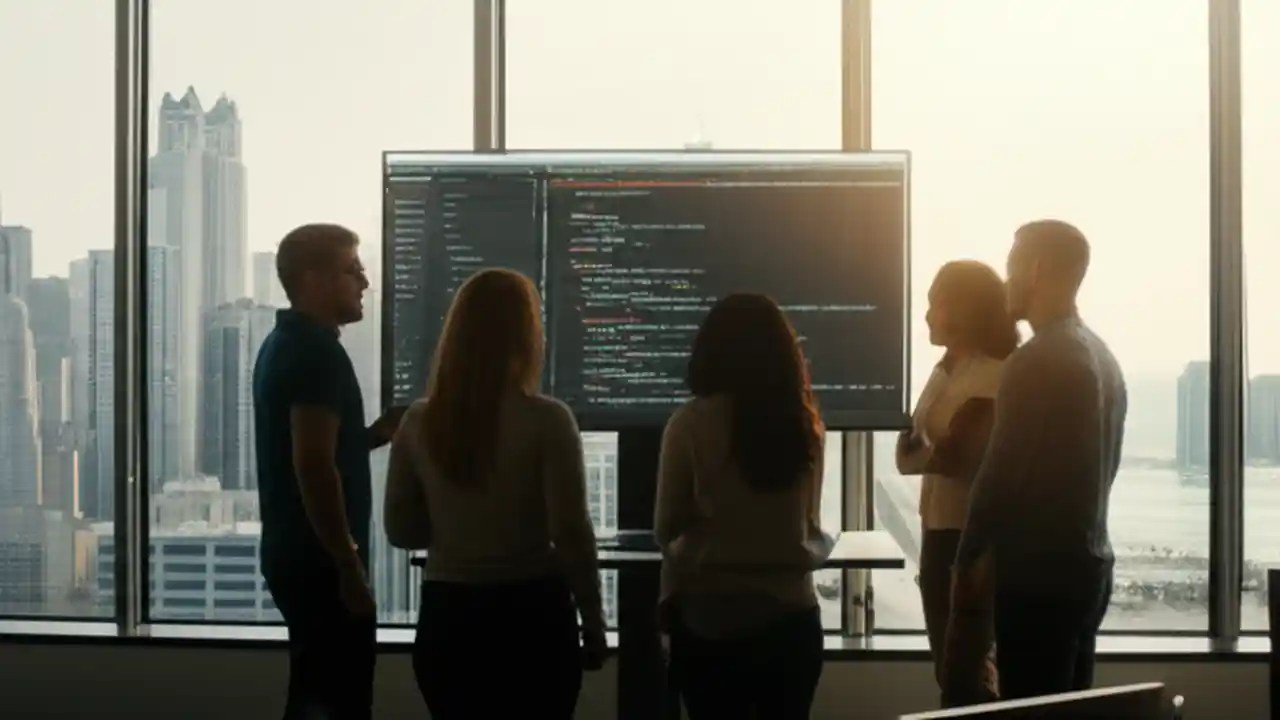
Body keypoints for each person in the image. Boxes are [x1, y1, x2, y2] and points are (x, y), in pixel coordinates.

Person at [384, 268, 607, 719]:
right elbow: (570, 531)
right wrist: (594, 621)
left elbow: (401, 530)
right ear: (527, 337)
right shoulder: (548, 420)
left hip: (450, 617)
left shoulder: (419, 423)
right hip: (532, 616)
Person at [946, 220, 1127, 700]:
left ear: (1037, 269)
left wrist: (965, 568)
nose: (1005, 281)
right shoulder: (1103, 358)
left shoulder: (1038, 358)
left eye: (1011, 268)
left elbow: (999, 477)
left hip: (1039, 581)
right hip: (1089, 570)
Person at [252, 223, 405, 719]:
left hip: (295, 556)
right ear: (314, 279)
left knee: (316, 693)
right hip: (319, 563)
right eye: (352, 270)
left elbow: (318, 447)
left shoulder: (284, 343)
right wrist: (347, 564)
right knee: (337, 700)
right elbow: (313, 466)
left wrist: (375, 435)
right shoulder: (315, 353)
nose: (364, 282)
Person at [655, 293, 831, 719]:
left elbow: (665, 527)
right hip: (792, 619)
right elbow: (808, 518)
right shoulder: (805, 426)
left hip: (712, 621)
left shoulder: (690, 424)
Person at [897, 261, 1018, 706]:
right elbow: (907, 457)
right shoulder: (945, 370)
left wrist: (930, 453)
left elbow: (957, 456)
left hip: (970, 539)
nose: (927, 315)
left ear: (965, 308)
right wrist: (933, 452)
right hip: (940, 531)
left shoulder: (994, 375)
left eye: (936, 302)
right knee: (950, 672)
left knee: (965, 678)